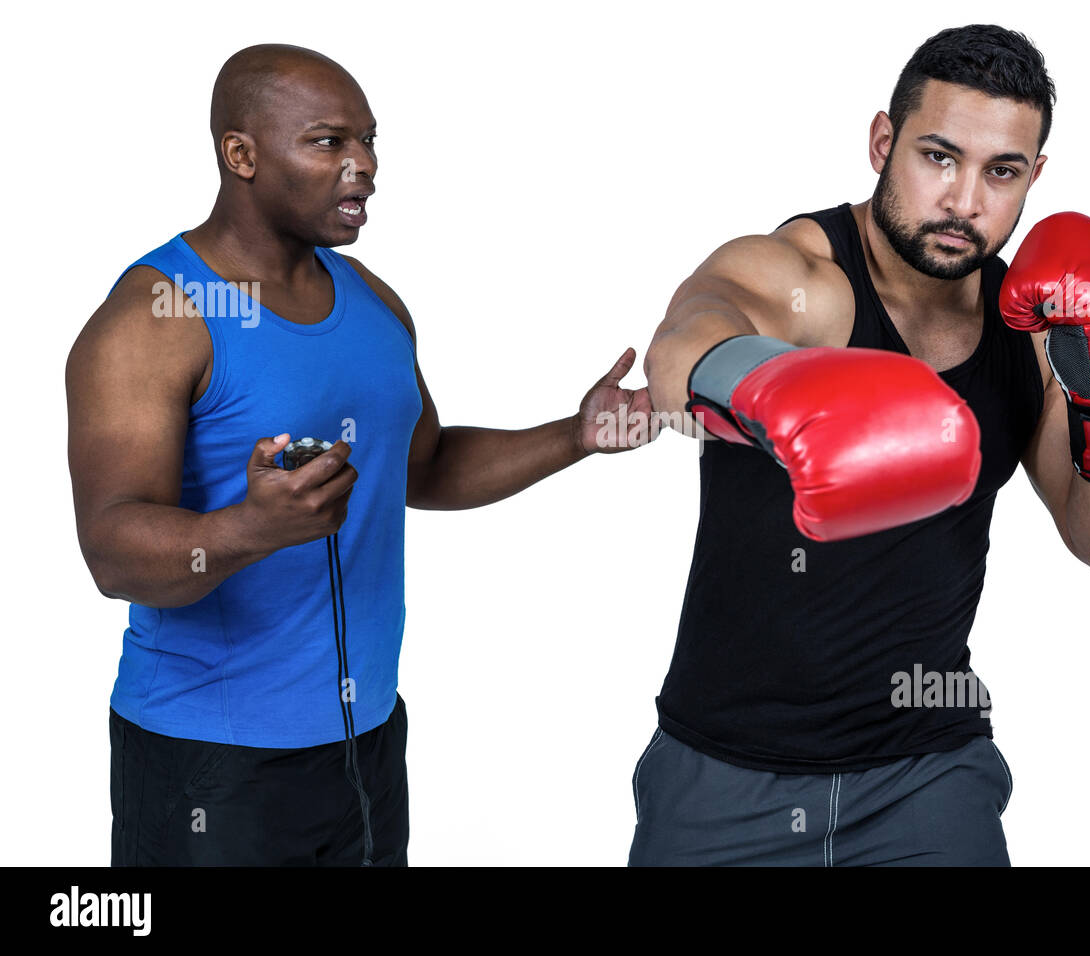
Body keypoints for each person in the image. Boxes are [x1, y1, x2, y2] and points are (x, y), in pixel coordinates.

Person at [65, 44, 651, 866]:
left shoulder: (373, 300)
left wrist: (574, 436)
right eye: (328, 142)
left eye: (370, 141)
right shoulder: (156, 315)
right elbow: (112, 553)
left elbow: (426, 467)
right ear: (241, 155)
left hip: (368, 740)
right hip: (210, 763)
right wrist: (251, 528)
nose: (365, 166)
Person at [630, 23, 1090, 866]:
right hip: (722, 774)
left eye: (1001, 172)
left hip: (931, 776)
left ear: (1034, 178)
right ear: (883, 141)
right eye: (938, 156)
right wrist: (775, 387)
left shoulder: (1028, 330)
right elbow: (677, 356)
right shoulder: (801, 277)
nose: (965, 201)